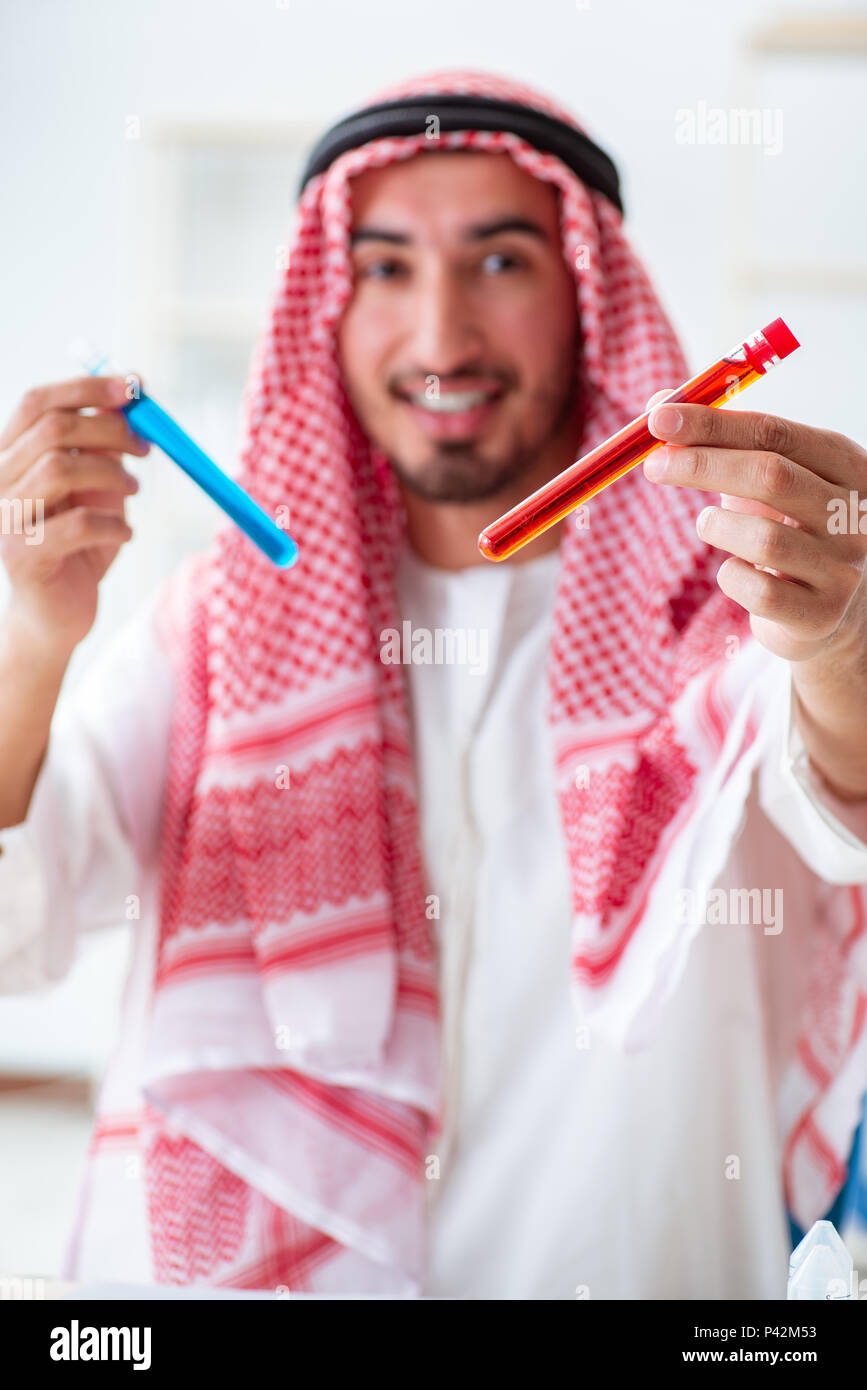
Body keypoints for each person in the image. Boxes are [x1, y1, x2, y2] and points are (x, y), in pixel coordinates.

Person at [1, 69, 866, 1300]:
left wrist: (839, 641)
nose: (442, 334)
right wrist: (34, 631)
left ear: (588, 293)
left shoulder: (729, 613)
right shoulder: (216, 631)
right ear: (327, 307)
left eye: (503, 262)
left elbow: (841, 790)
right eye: (386, 266)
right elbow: (11, 932)